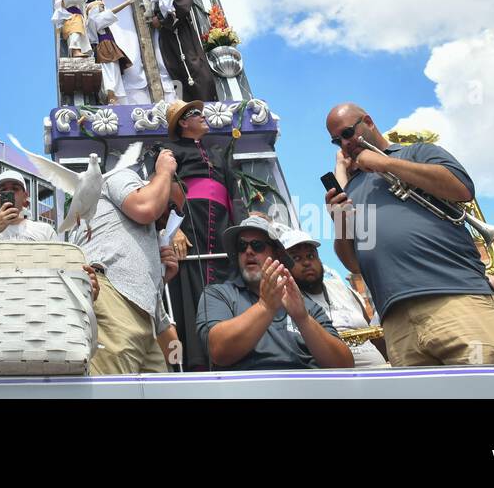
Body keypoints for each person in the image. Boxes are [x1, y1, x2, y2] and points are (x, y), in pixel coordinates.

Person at [323, 102, 494, 366]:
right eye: (336, 141)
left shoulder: (418, 152)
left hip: (457, 298)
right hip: (397, 321)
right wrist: (340, 220)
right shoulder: (352, 188)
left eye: (347, 133)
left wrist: (385, 163)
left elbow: (461, 188)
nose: (344, 144)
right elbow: (354, 263)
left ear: (368, 121)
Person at [80, 144, 184, 375]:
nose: (170, 215)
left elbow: (170, 339)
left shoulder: (149, 241)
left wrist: (162, 278)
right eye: (170, 204)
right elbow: (145, 206)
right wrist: (165, 171)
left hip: (146, 324)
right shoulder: (121, 177)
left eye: (178, 212)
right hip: (111, 295)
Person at [197, 217, 353, 370]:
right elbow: (218, 351)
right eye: (241, 246)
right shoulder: (218, 294)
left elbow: (344, 366)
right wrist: (265, 307)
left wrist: (303, 319)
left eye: (257, 245)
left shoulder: (304, 305)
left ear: (277, 254)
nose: (249, 251)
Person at [162, 98, 237, 370]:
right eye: (197, 114)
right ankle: (197, 359)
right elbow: (166, 185)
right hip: (191, 221)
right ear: (183, 122)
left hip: (223, 224)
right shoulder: (169, 151)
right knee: (190, 282)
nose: (203, 116)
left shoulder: (218, 152)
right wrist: (175, 227)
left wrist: (241, 230)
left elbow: (234, 193)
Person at [280, 227, 388, 367]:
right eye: (296, 258)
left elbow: (373, 335)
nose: (306, 262)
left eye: (311, 256)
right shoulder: (285, 299)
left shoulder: (343, 289)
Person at [147, 0, 217, 102]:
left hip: (182, 29)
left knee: (193, 65)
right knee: (174, 68)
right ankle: (188, 106)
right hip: (167, 36)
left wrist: (161, 20)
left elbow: (183, 5)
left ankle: (206, 102)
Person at [0, 169, 59, 242]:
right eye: (3, 190)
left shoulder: (45, 230)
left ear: (25, 196)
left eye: (15, 189)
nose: (9, 192)